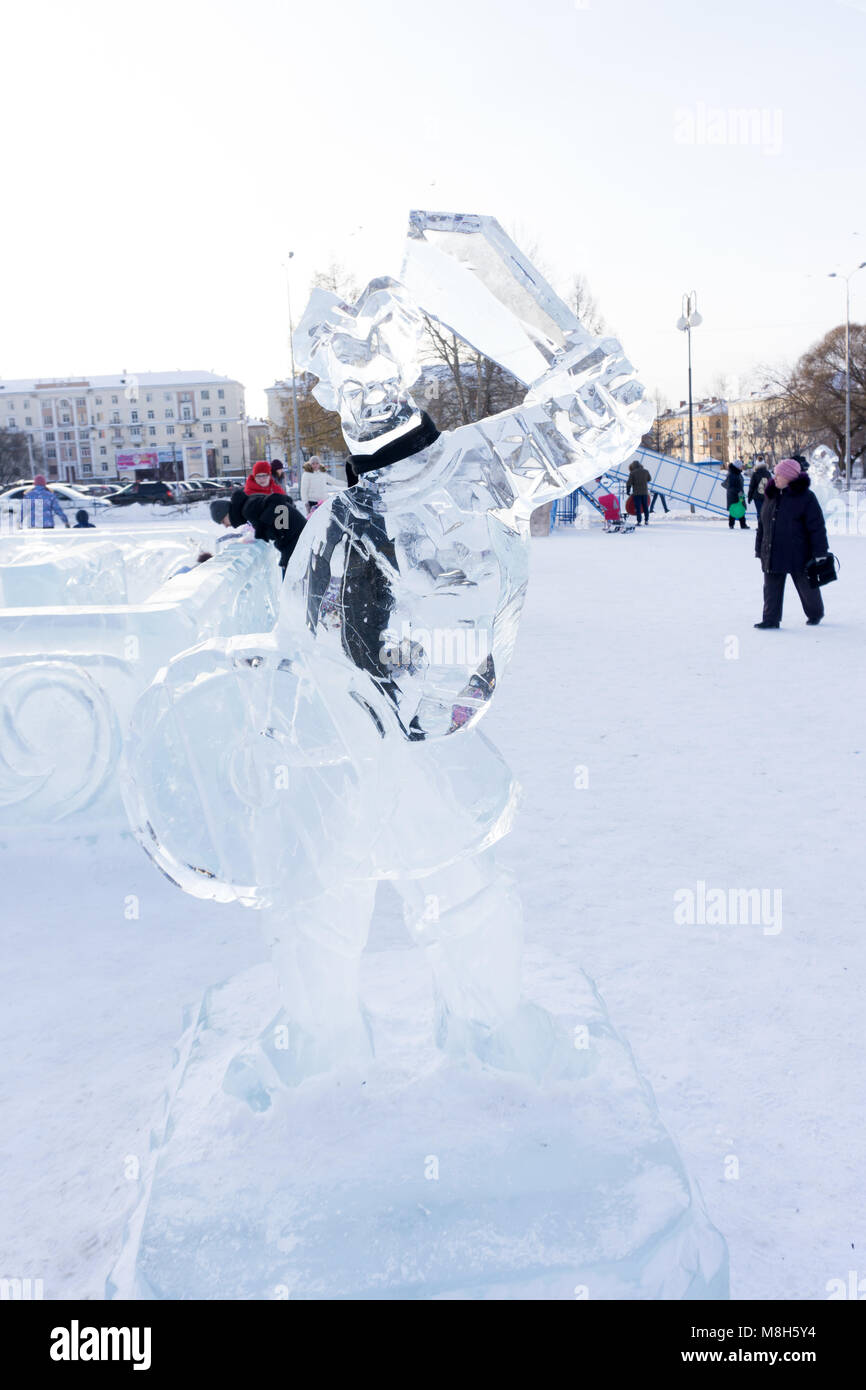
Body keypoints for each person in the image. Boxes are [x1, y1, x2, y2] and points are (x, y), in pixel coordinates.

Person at [754, 458, 829, 628]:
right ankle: (770, 619)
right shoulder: (771, 494)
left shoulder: (806, 497)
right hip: (772, 550)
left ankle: (815, 613)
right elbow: (762, 525)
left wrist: (820, 552)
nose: (775, 477)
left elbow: (817, 527)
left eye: (779, 475)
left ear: (790, 477)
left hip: (798, 552)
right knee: (771, 587)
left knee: (807, 587)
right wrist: (759, 547)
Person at [626, 458, 651, 525]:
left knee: (638, 507)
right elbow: (649, 479)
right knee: (645, 506)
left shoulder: (632, 473)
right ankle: (646, 521)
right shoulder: (646, 471)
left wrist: (628, 491)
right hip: (645, 492)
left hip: (636, 493)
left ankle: (639, 521)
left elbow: (629, 483)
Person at [724, 459, 749, 530]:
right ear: (737, 466)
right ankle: (733, 524)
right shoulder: (732, 474)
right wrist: (740, 494)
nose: (742, 467)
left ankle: (741, 524)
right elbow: (733, 486)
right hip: (734, 495)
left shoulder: (737, 473)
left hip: (737, 494)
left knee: (740, 509)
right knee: (735, 509)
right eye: (741, 466)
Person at [747, 456, 772, 521]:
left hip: (757, 496)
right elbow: (771, 484)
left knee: (759, 512)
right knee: (766, 512)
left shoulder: (755, 474)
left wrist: (749, 497)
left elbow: (751, 486)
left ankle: (760, 527)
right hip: (766, 496)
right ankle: (765, 526)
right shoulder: (768, 473)